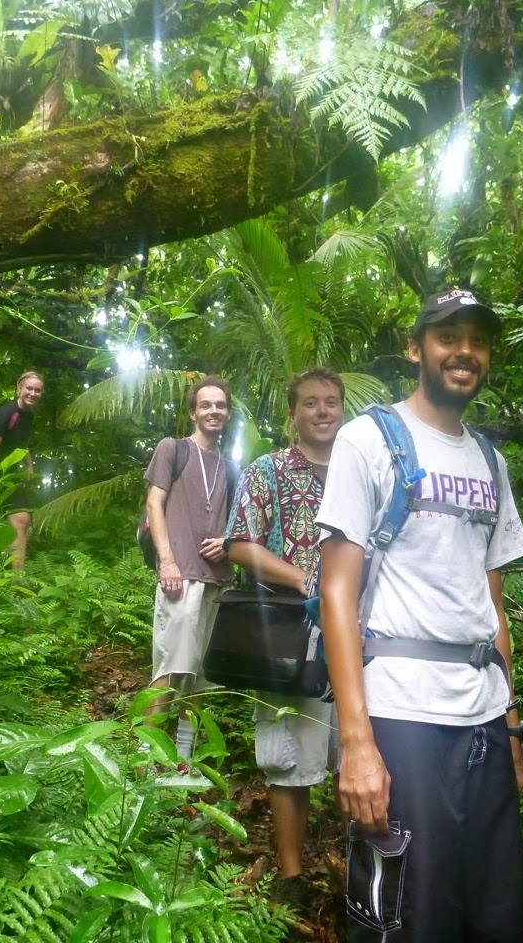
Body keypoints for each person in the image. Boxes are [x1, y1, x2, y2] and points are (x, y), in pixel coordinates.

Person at [316, 288, 523, 943]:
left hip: (484, 717)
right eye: (448, 337)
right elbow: (336, 594)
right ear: (416, 349)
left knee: (494, 912)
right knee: (410, 916)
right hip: (402, 713)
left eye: (478, 340)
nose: (465, 351)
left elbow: (492, 601)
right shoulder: (367, 440)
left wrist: (512, 725)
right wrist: (357, 744)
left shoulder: (490, 461)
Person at [224, 367, 345, 905]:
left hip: (362, 632)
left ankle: (360, 872)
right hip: (290, 633)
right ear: (293, 413)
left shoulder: (361, 471)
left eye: (331, 401)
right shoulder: (267, 472)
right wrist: (300, 578)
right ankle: (291, 877)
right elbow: (238, 543)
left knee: (358, 750)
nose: (322, 411)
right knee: (288, 755)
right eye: (310, 403)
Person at [143, 374, 236, 762]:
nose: (214, 411)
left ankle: (182, 761)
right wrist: (167, 562)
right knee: (170, 670)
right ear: (193, 412)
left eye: (220, 405)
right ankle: (147, 761)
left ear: (227, 412)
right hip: (180, 579)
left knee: (198, 679)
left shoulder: (230, 467)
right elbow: (154, 504)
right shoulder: (173, 449)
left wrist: (227, 543)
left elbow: (236, 524)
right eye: (206, 404)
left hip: (218, 582)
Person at [0, 370, 45, 571]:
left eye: (37, 390)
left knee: (22, 520)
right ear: (19, 388)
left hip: (10, 473)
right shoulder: (6, 414)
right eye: (29, 388)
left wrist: (29, 465)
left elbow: (21, 443)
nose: (33, 393)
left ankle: (17, 579)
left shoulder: (28, 414)